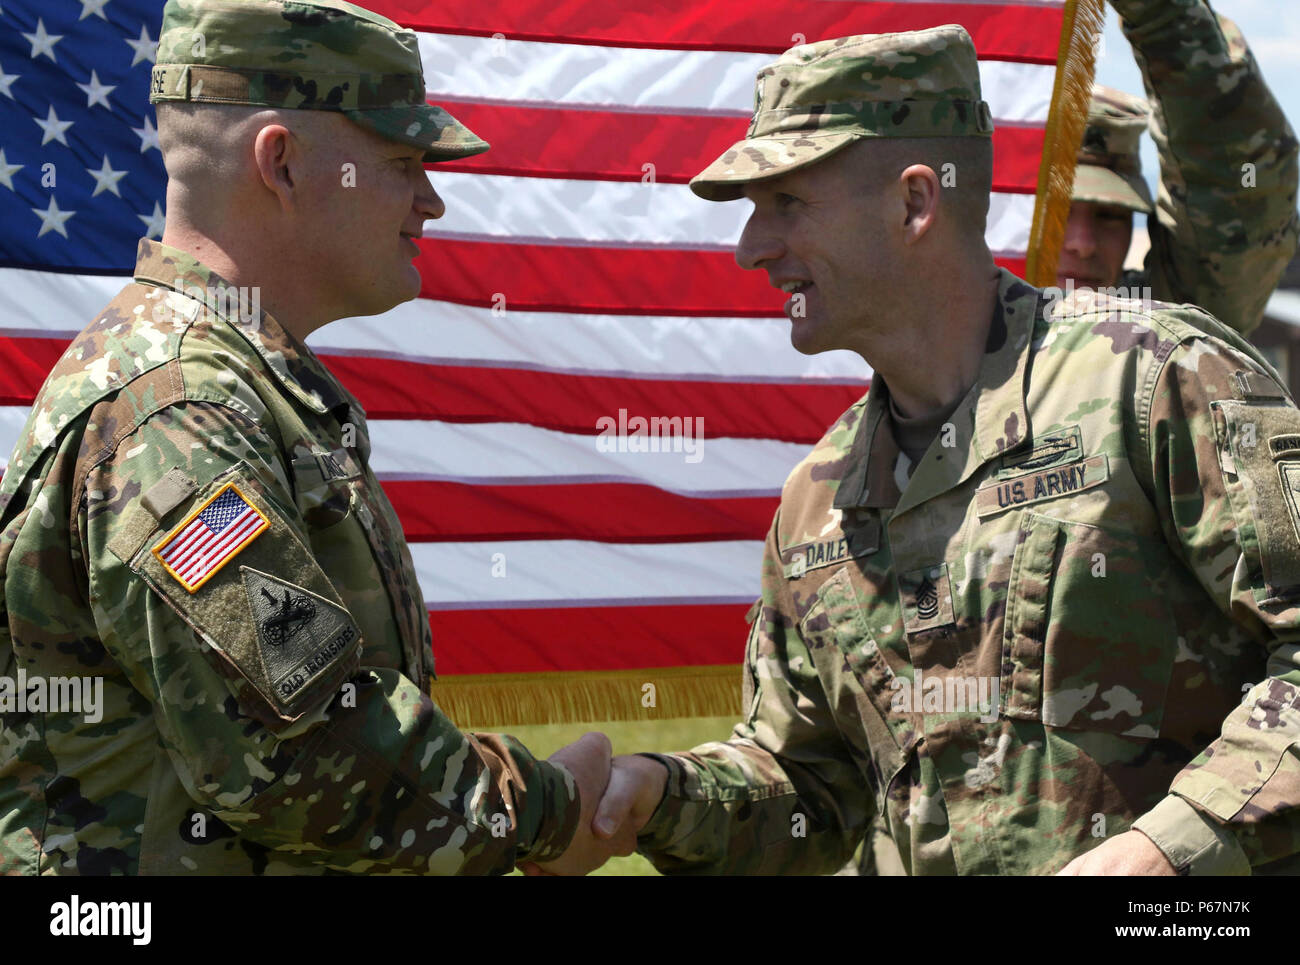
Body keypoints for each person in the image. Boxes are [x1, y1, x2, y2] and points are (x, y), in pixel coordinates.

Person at [568, 25, 1300, 876]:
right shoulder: (819, 502)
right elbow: (813, 789)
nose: (751, 248)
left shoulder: (1156, 380)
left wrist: (1163, 855)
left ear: (916, 202)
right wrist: (660, 792)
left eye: (787, 205)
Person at [0, 0, 611, 875]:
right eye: (402, 162)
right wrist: (545, 809)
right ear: (280, 162)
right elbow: (298, 750)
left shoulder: (230, 381)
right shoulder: (180, 413)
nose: (431, 200)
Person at [1059, 0, 1298, 337]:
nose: (1083, 244)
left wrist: (1158, 14)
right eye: (1056, 213)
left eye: (1110, 215)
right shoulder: (965, 329)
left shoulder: (1163, 325)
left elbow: (1239, 183)